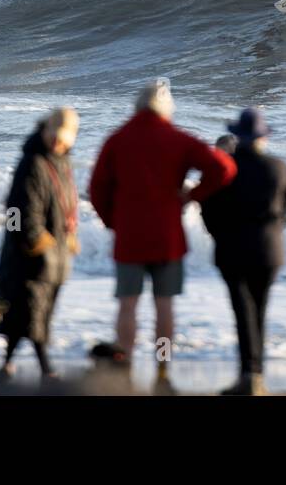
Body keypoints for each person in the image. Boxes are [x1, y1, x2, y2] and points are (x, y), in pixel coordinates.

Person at [89, 81, 236, 394]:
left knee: (127, 305)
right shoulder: (178, 139)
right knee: (164, 306)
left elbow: (97, 188)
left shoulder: (117, 139)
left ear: (138, 105)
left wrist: (112, 221)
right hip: (167, 235)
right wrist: (193, 195)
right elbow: (223, 169)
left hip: (129, 235)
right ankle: (163, 369)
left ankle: (124, 365)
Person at [200, 108, 286, 396]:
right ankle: (257, 375)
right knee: (260, 311)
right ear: (263, 137)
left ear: (238, 136)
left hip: (233, 249)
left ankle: (248, 375)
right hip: (269, 251)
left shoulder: (226, 169)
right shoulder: (279, 168)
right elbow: (283, 211)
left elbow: (208, 209)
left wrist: (219, 236)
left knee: (243, 312)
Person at [0, 108, 81, 391]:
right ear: (44, 131)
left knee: (29, 314)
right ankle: (47, 371)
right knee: (33, 311)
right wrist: (34, 242)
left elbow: (65, 205)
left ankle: (6, 367)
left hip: (55, 255)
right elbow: (18, 209)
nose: (57, 141)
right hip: (31, 256)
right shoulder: (32, 163)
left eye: (63, 137)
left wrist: (68, 238)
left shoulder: (62, 163)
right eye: (53, 135)